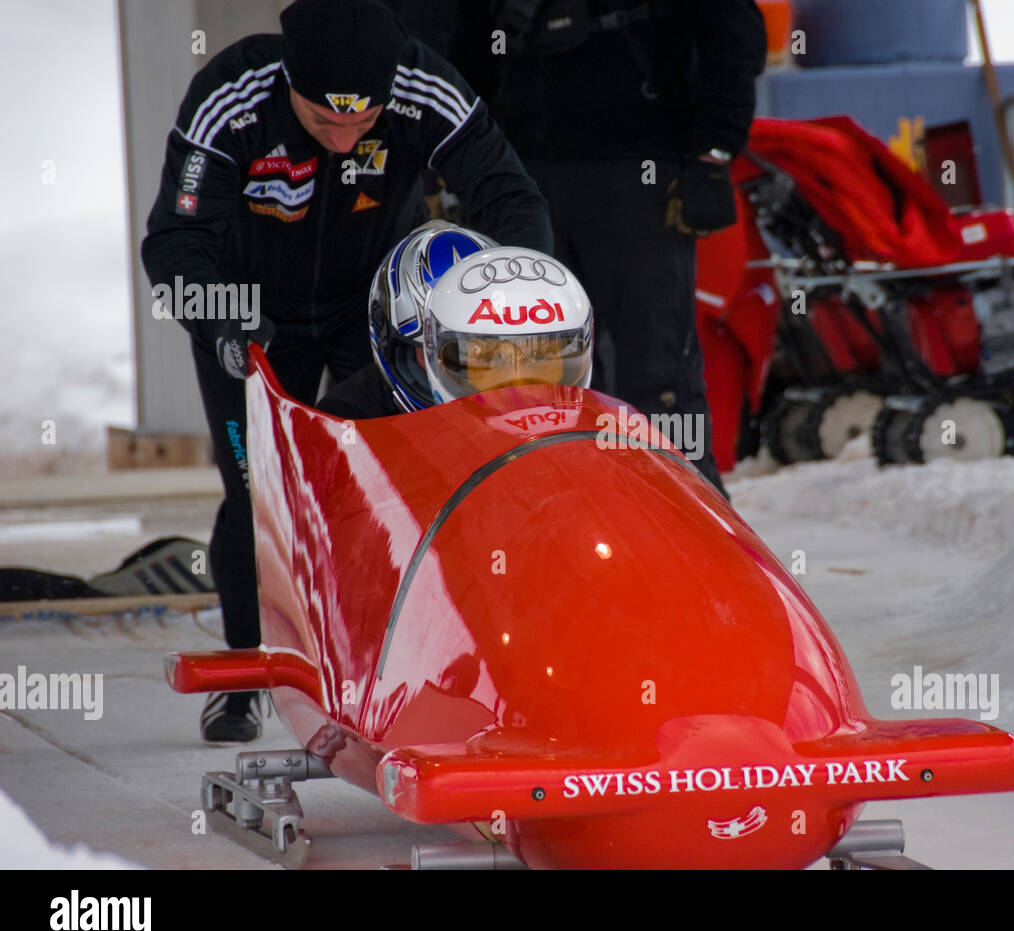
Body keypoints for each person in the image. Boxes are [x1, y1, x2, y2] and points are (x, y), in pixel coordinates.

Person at [140, 0, 553, 742]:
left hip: (371, 310)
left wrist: (509, 295)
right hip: (247, 316)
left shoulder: (425, 85)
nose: (343, 137)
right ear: (289, 86)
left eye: (362, 123)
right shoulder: (231, 97)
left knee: (395, 478)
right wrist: (219, 321)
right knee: (259, 488)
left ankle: (399, 656)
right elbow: (174, 241)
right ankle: (247, 670)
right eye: (323, 122)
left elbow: (509, 196)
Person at [384, 0, 768, 494]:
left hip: (639, 171)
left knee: (659, 377)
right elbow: (459, 34)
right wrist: (440, 159)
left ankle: (690, 512)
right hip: (518, 176)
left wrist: (714, 153)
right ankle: (561, 515)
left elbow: (732, 32)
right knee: (530, 367)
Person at [319, 220, 593, 419]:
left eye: (534, 356)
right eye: (473, 358)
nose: (510, 381)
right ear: (397, 345)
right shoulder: (347, 417)